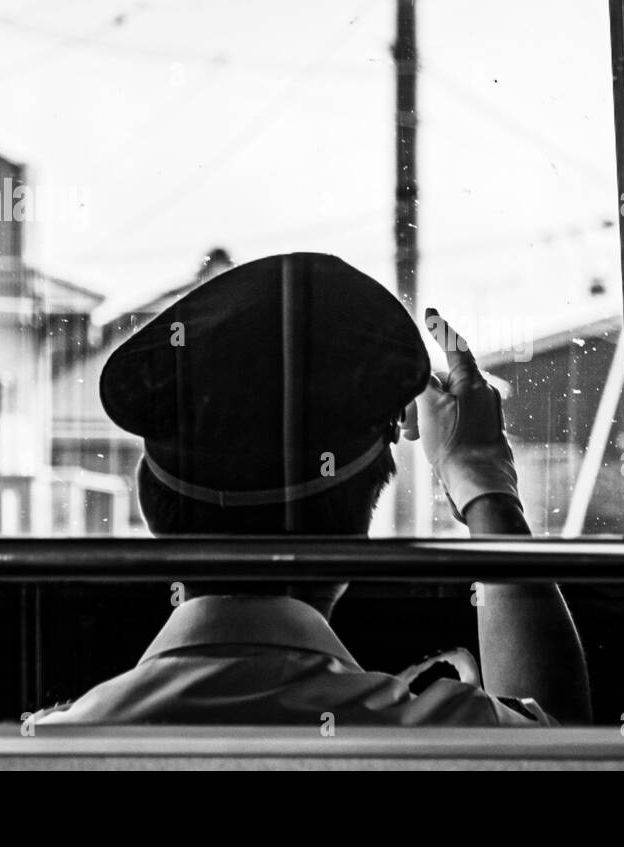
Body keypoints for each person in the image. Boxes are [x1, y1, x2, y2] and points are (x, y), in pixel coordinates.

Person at [36, 253, 591, 727]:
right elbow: (564, 750)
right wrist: (483, 484)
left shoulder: (44, 750)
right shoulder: (437, 740)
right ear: (359, 518)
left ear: (146, 499)